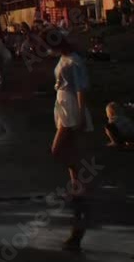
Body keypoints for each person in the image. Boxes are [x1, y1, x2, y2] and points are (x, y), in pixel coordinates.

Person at [50, 37, 93, 199]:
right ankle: (77, 186)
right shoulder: (64, 57)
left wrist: (81, 113)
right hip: (62, 102)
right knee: (70, 148)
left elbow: (81, 88)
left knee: (57, 150)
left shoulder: (74, 61)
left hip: (70, 104)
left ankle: (80, 182)